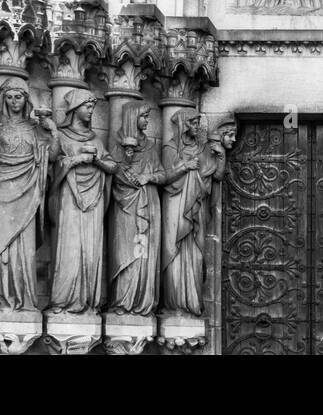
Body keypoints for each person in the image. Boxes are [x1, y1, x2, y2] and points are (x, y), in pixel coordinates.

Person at [0, 78, 52, 311]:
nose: (14, 102)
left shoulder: (34, 128)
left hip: (28, 190)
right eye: (10, 97)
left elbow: (51, 156)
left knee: (23, 246)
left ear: (26, 99)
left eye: (19, 97)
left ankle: (22, 297)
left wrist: (52, 132)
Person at [48, 90, 117, 313]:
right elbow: (51, 164)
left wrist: (96, 159)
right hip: (70, 197)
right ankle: (63, 300)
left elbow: (113, 166)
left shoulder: (95, 139)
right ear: (74, 108)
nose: (91, 111)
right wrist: (76, 159)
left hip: (95, 200)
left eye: (92, 107)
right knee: (69, 247)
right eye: (87, 106)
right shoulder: (62, 135)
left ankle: (88, 301)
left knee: (91, 248)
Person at [160, 110, 227, 316]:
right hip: (175, 204)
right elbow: (164, 178)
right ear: (182, 124)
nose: (197, 126)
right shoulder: (170, 148)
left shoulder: (202, 149)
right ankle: (174, 303)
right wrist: (184, 167)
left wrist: (222, 157)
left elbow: (216, 175)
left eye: (198, 123)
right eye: (193, 122)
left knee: (196, 253)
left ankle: (191, 300)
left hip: (196, 206)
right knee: (173, 249)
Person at [107, 104, 167, 316]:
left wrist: (148, 177)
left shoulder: (150, 147)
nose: (147, 120)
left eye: (147, 116)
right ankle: (123, 300)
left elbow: (163, 175)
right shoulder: (117, 146)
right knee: (127, 250)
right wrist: (125, 167)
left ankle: (143, 300)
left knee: (144, 253)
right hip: (126, 207)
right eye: (143, 116)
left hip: (148, 204)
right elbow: (111, 174)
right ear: (132, 117)